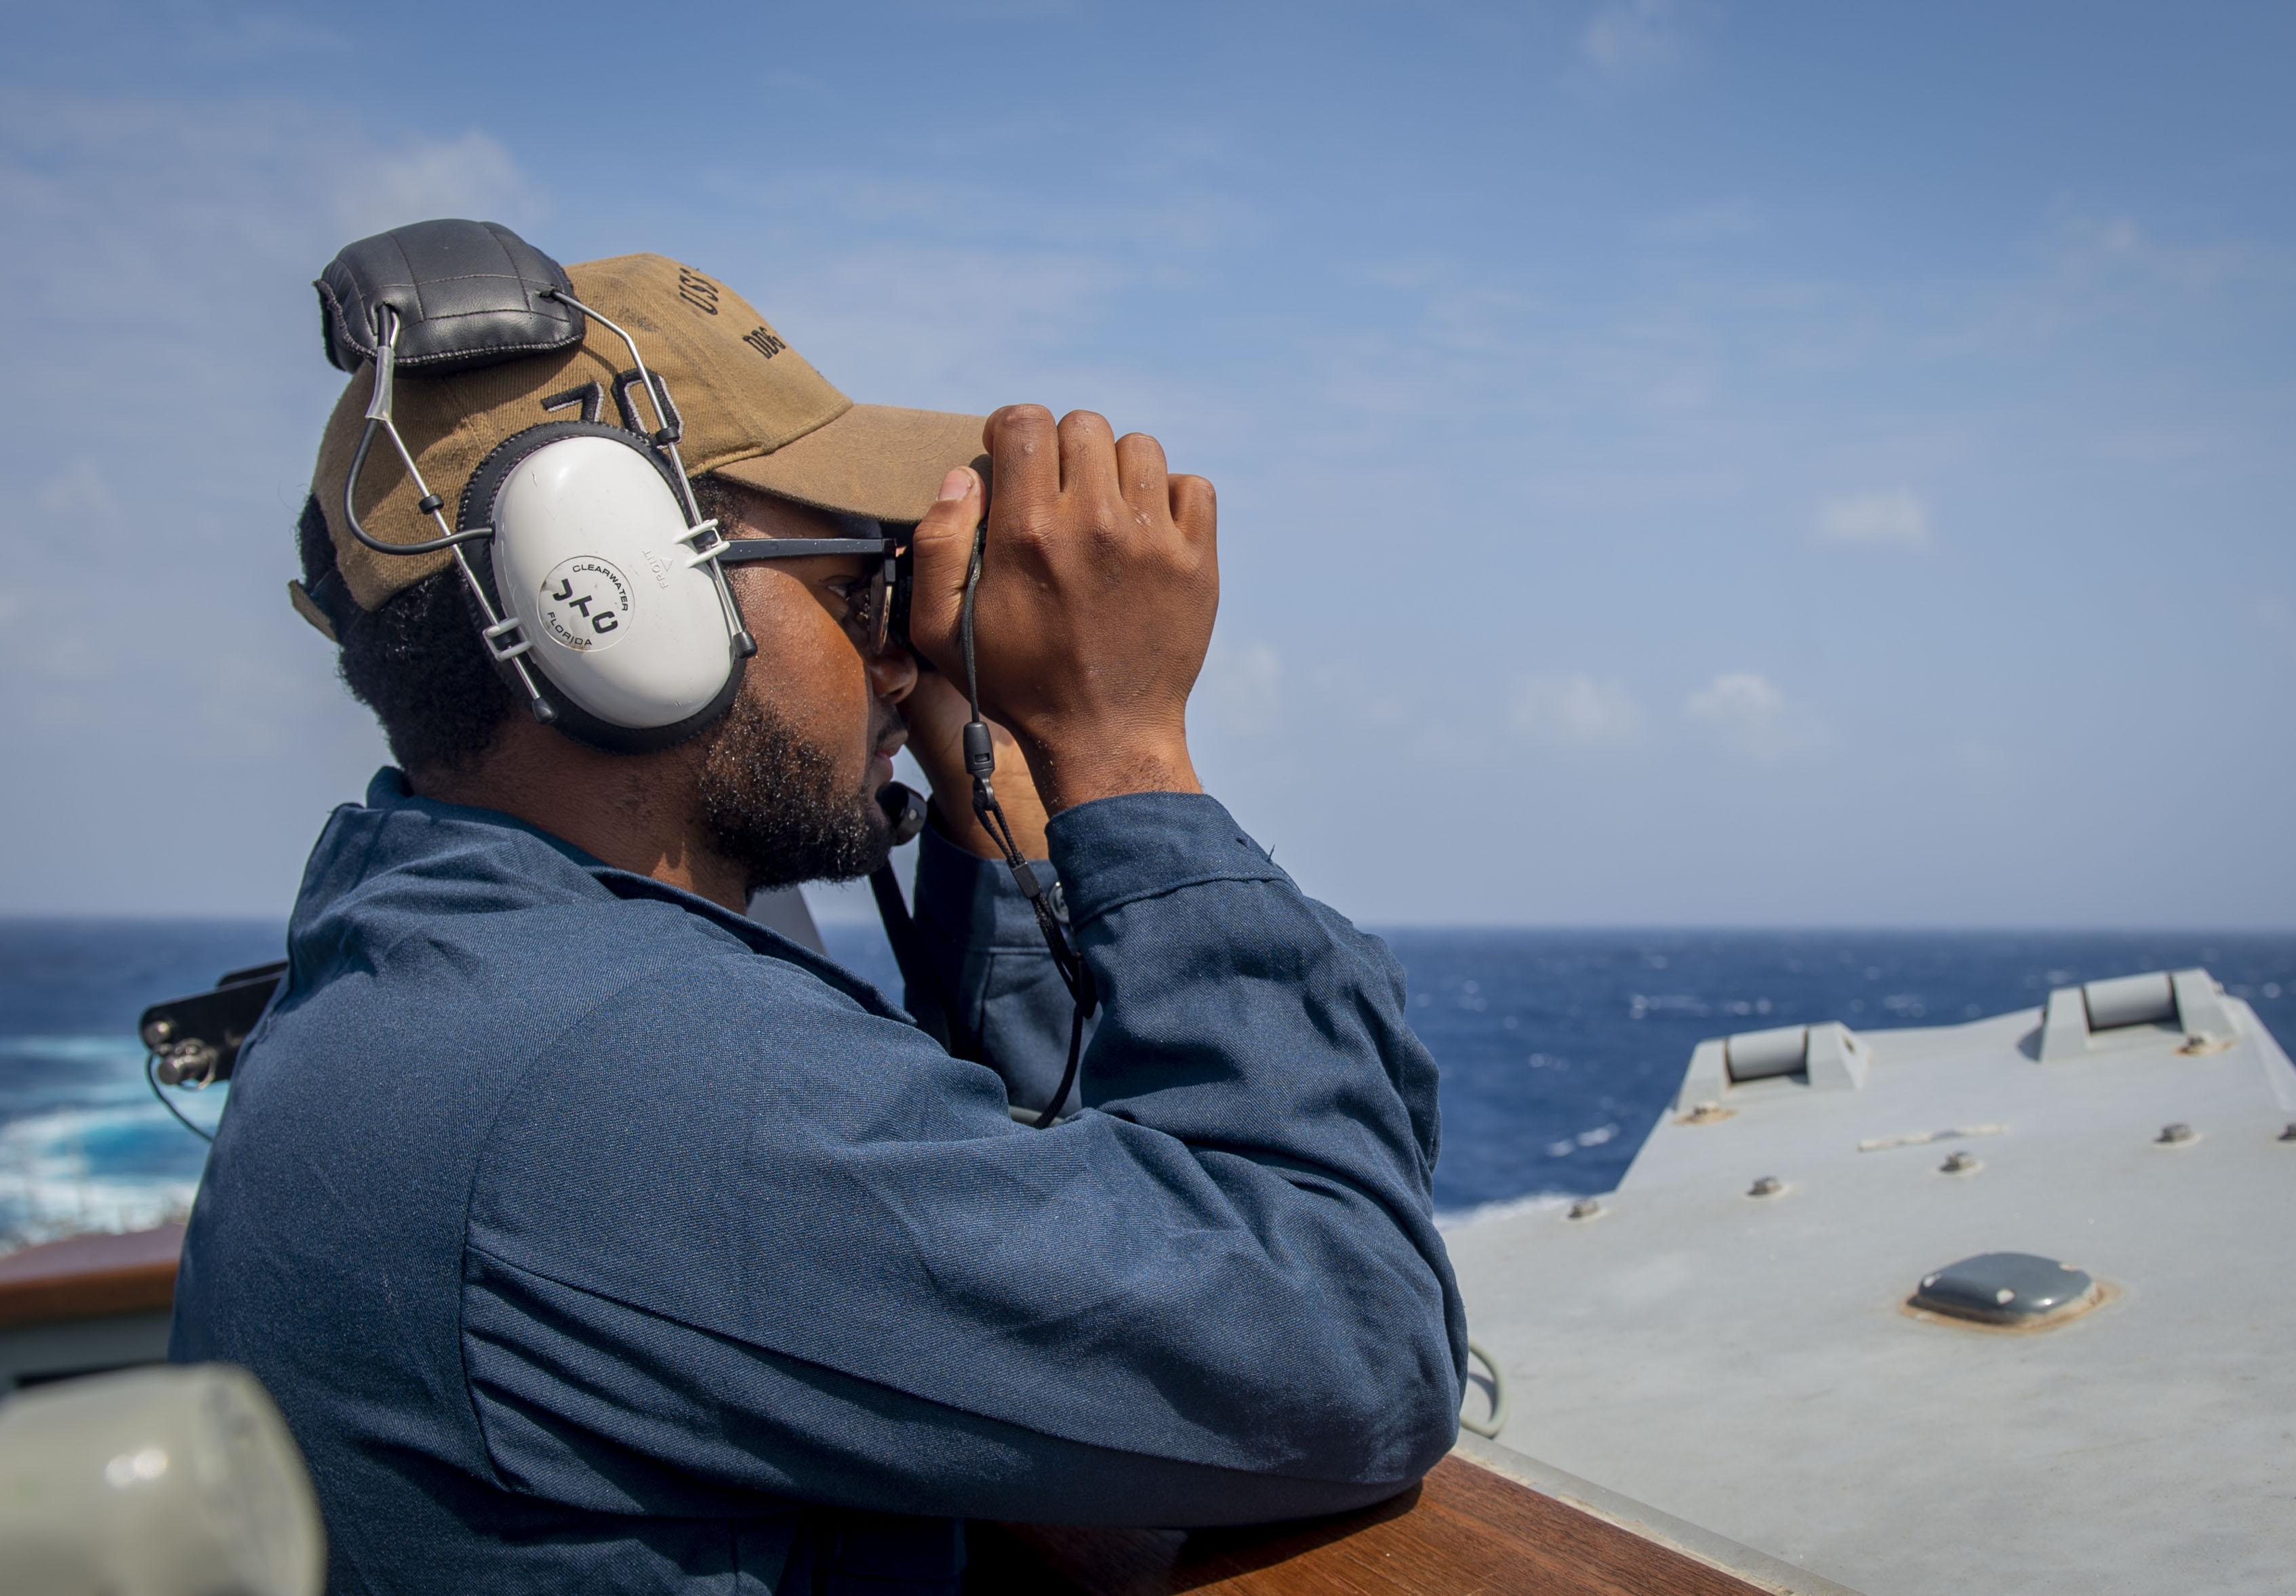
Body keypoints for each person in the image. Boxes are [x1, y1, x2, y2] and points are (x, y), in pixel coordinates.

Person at [169, 241, 1464, 1595]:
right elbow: (1350, 1348)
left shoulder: (434, 966)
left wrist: (989, 789)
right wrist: (1124, 748)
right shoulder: (629, 1071)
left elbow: (1044, 1183)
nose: (907, 652)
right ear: (612, 601)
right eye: (863, 585)